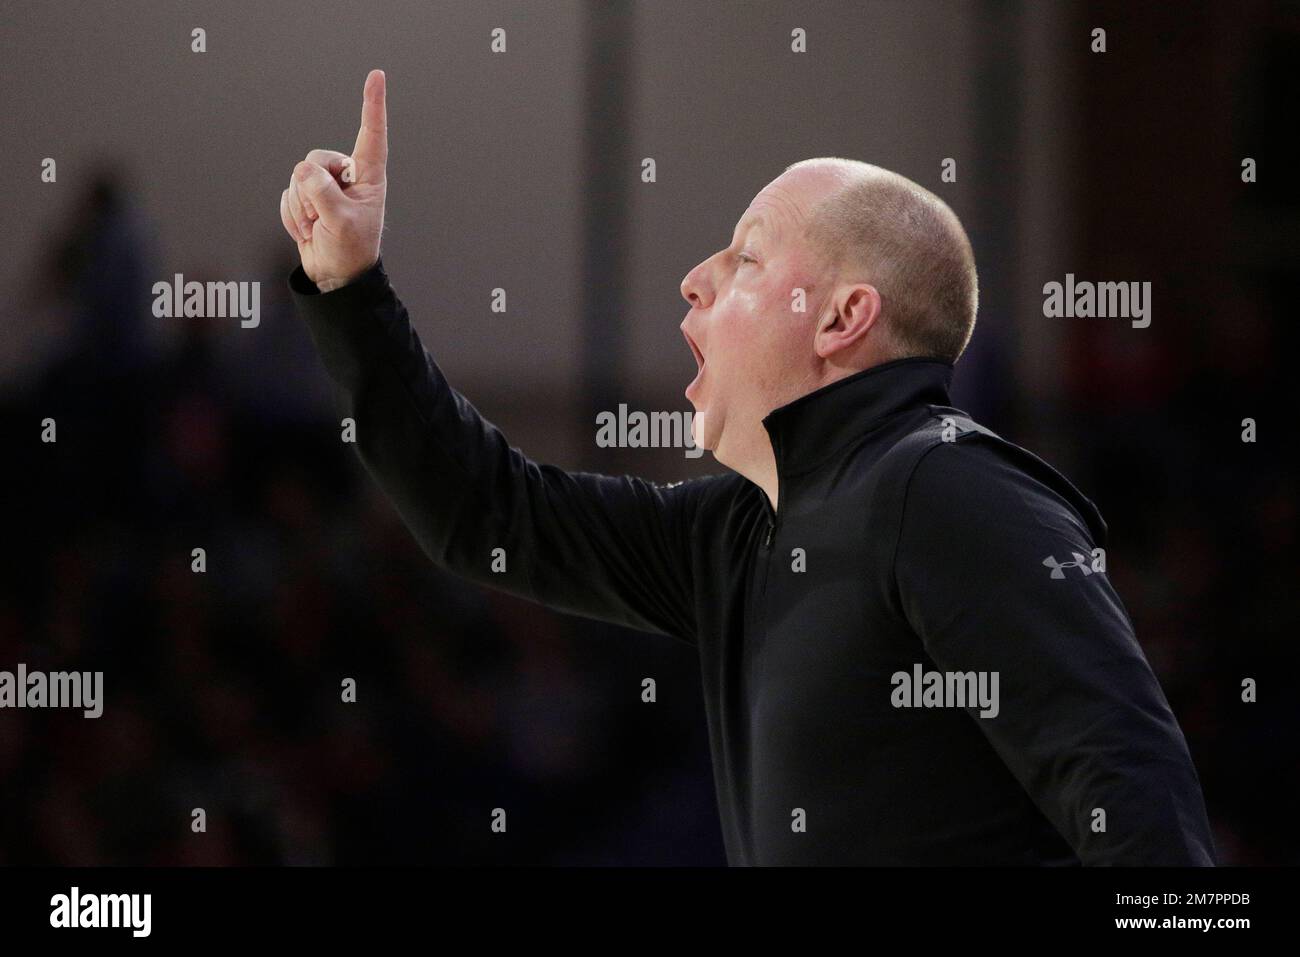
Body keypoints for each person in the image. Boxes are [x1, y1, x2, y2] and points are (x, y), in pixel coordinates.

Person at [279, 70, 1216, 865]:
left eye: (748, 254)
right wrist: (349, 289)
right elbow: (481, 513)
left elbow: (1132, 787)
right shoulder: (736, 533)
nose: (695, 276)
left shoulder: (949, 487)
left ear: (843, 318)